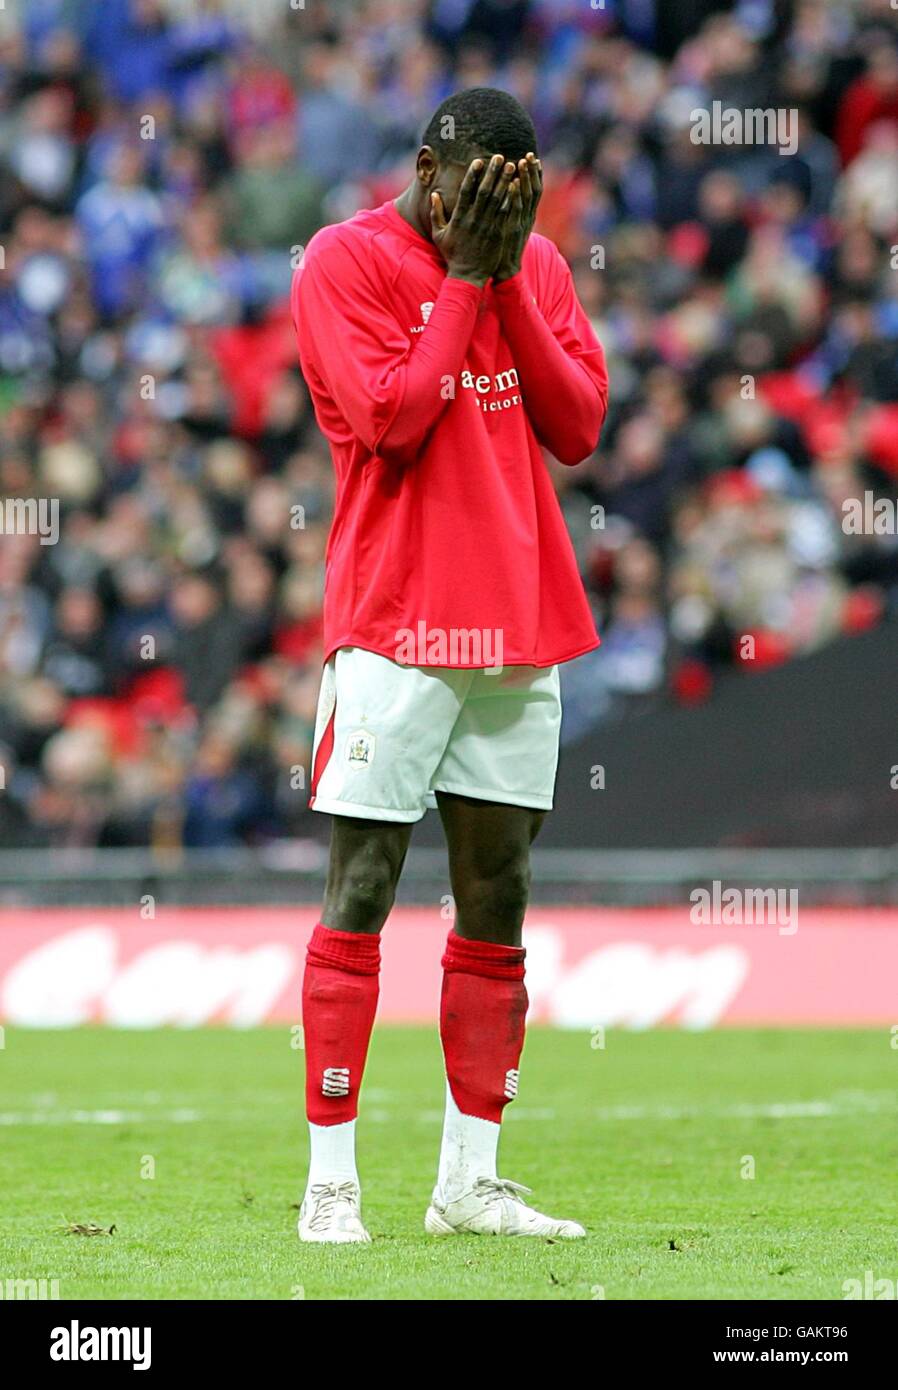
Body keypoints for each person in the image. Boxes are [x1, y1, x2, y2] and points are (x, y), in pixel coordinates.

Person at [291, 86, 608, 1243]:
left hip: (518, 623)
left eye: (518, 193)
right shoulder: (343, 260)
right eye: (478, 190)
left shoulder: (537, 266)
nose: (495, 210)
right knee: (364, 887)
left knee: (499, 898)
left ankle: (467, 1182)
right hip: (396, 623)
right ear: (430, 167)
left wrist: (510, 269)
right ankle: (332, 1180)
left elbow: (576, 424)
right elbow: (392, 421)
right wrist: (469, 277)